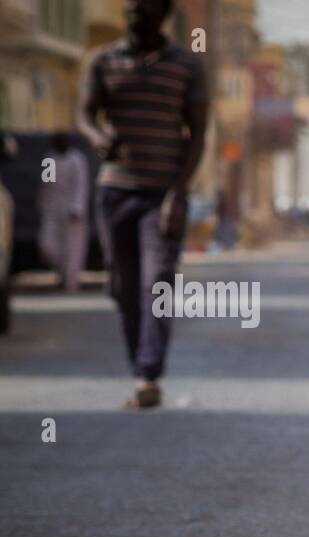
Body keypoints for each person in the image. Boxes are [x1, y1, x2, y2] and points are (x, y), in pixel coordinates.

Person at [77, 0, 208, 410]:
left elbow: (198, 133)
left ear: (163, 12)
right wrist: (97, 137)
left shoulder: (186, 66)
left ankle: (148, 374)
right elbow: (84, 112)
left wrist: (178, 193)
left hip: (162, 193)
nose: (134, 10)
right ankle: (141, 365)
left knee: (159, 282)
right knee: (123, 286)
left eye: (144, 4)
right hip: (115, 191)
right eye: (129, 5)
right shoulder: (102, 60)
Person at [38, 132, 90, 292]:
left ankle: (70, 283)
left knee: (73, 249)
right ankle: (62, 271)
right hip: (53, 209)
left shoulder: (77, 159)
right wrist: (43, 206)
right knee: (47, 246)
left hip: (72, 210)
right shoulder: (49, 159)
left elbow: (81, 185)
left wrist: (77, 207)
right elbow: (46, 186)